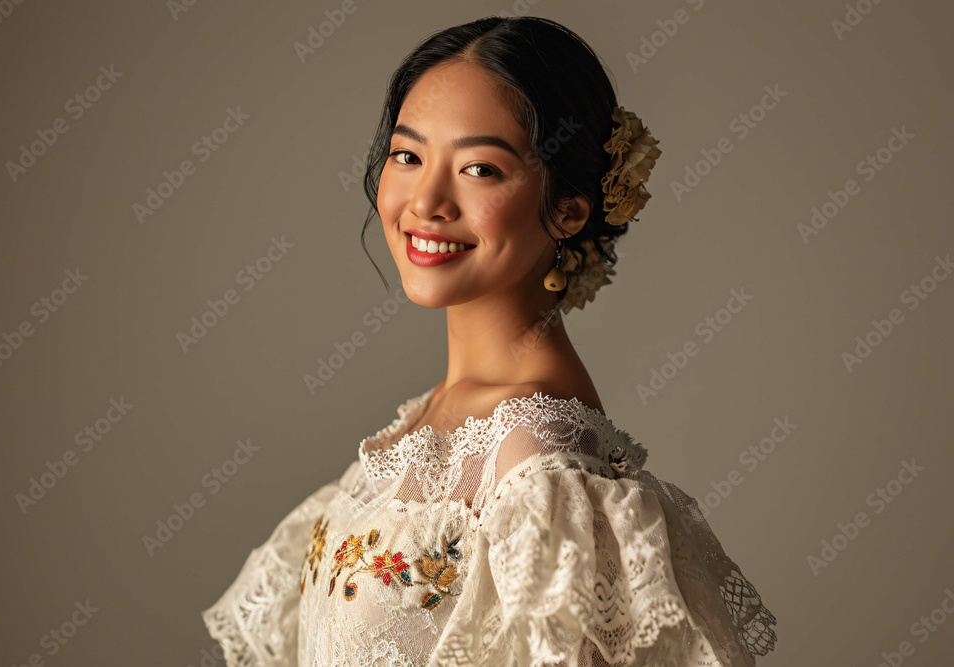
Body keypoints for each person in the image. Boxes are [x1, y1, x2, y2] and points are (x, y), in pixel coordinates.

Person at [202, 15, 778, 666]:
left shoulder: (536, 451)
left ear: (570, 208)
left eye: (479, 168)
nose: (425, 200)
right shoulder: (433, 417)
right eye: (407, 155)